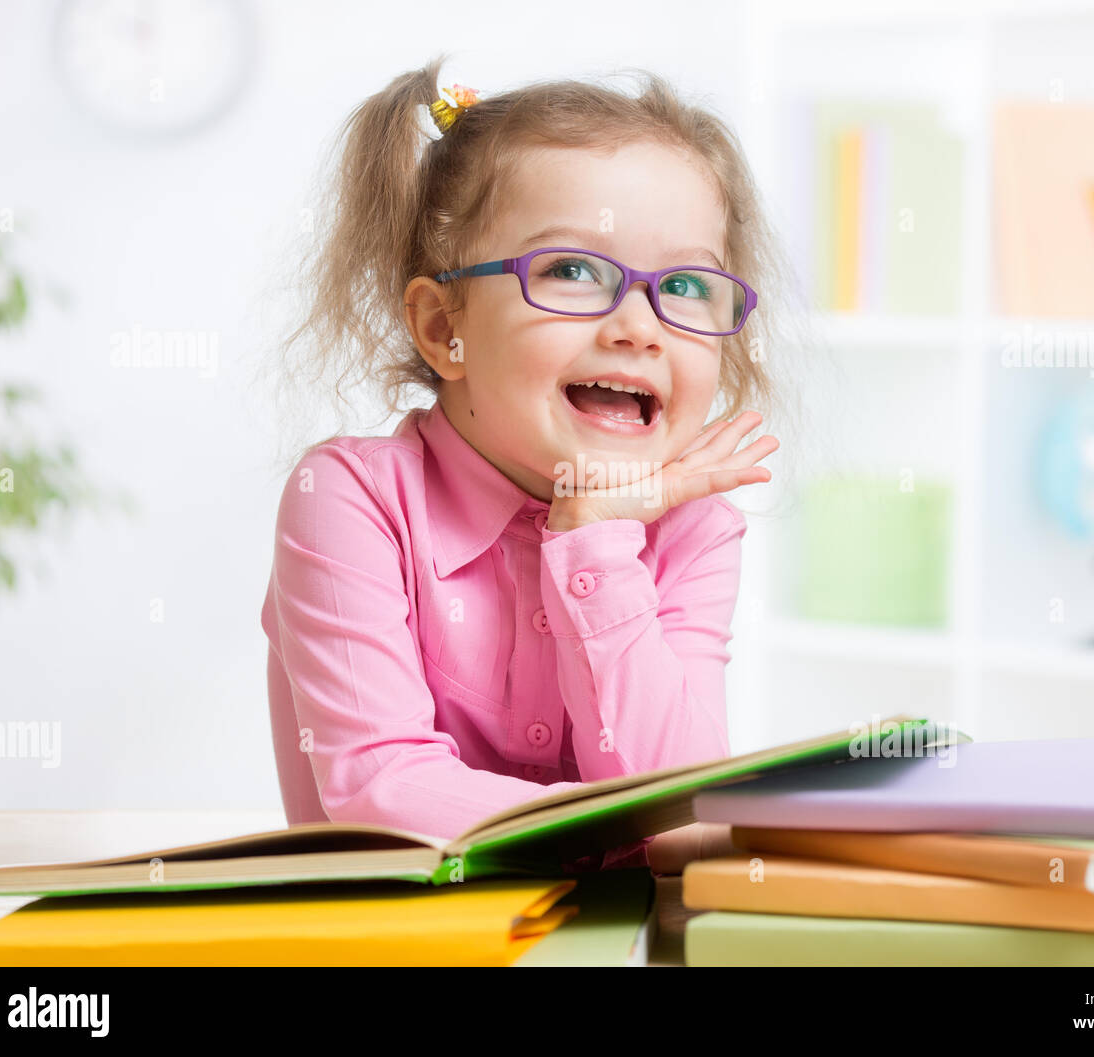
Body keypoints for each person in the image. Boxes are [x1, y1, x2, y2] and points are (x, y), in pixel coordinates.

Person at [261, 53, 795, 873]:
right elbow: (382, 789)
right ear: (446, 328)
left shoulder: (695, 530)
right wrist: (633, 837)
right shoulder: (348, 497)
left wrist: (593, 539)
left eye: (687, 284)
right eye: (573, 271)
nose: (640, 327)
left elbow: (680, 803)